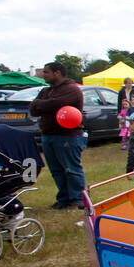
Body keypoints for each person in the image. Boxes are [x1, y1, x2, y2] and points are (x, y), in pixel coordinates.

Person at [28, 61, 87, 210]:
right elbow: (33, 108)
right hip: (48, 135)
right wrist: (44, 104)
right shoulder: (46, 91)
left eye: (46, 72)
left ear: (57, 73)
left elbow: (57, 104)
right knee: (56, 170)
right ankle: (63, 199)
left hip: (68, 136)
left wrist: (42, 104)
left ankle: (78, 199)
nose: (43, 75)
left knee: (71, 169)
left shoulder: (72, 90)